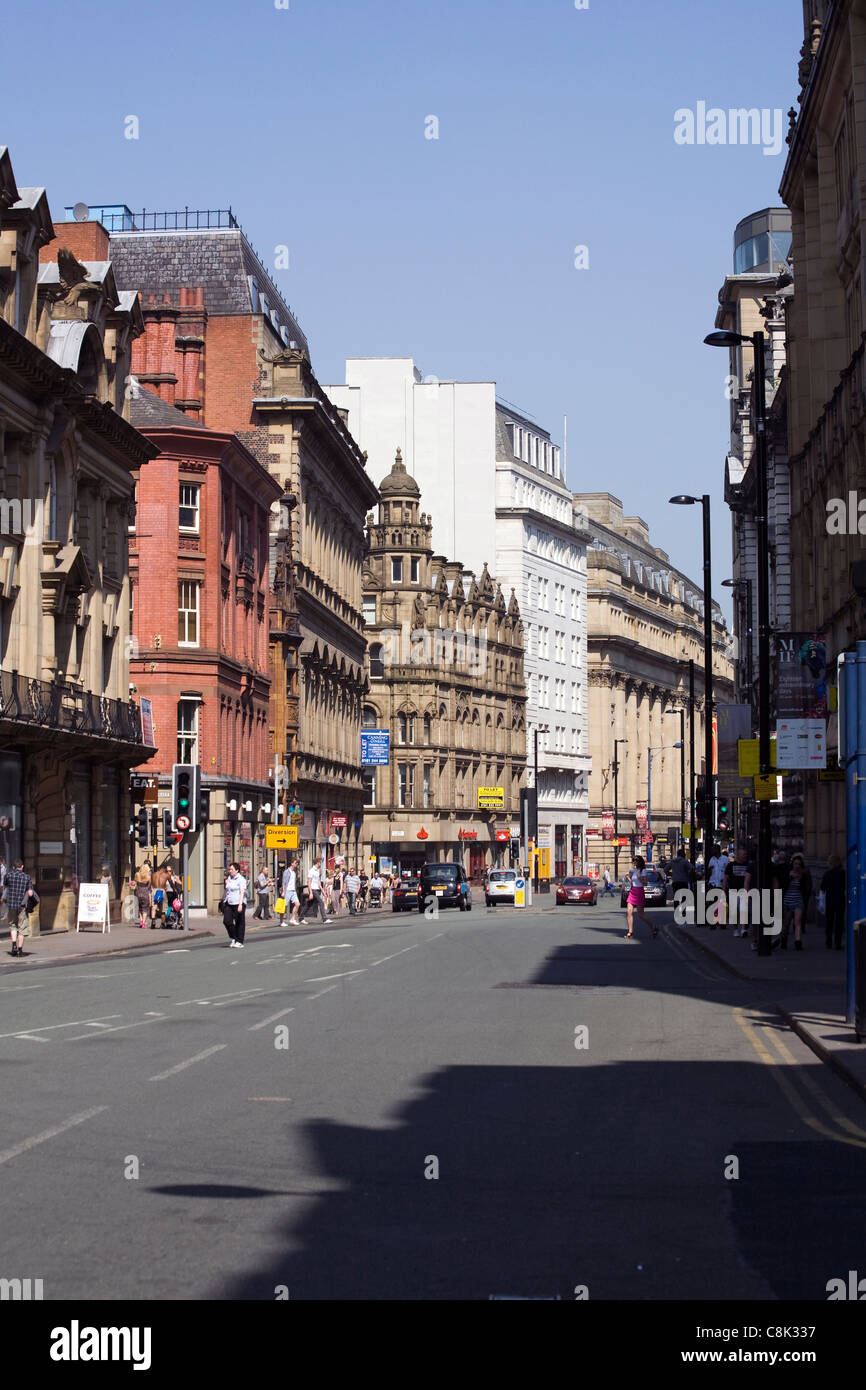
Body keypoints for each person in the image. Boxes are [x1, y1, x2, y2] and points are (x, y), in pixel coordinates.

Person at [3, 856, 37, 958]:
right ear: (22, 867)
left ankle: (13, 946)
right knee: (22, 927)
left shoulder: (8, 875)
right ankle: (20, 950)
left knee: (13, 925)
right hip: (22, 906)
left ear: (14, 867)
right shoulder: (27, 877)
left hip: (11, 905)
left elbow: (5, 886)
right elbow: (30, 893)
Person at [779, 853, 812, 951]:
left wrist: (806, 898)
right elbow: (783, 885)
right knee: (786, 923)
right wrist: (789, 877)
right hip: (787, 901)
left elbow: (807, 887)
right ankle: (784, 940)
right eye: (795, 863)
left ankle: (798, 942)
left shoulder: (803, 875)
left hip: (798, 900)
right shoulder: (787, 873)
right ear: (792, 864)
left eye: (799, 864)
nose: (797, 865)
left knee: (798, 922)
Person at [724, 847, 755, 945]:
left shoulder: (749, 865)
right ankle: (735, 929)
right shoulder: (730, 865)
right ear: (738, 855)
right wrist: (723, 890)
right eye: (743, 854)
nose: (745, 856)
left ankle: (743, 929)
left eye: (746, 854)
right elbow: (725, 878)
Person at [624, 855, 658, 941]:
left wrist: (639, 877)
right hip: (633, 891)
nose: (634, 862)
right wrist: (628, 877)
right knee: (629, 912)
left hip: (639, 892)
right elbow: (633, 883)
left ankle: (653, 926)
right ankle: (630, 932)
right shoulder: (635, 871)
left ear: (639, 862)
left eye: (635, 860)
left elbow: (645, 883)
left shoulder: (643, 871)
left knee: (640, 915)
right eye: (633, 860)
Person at [820, 853, 846, 951]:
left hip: (830, 900)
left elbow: (823, 887)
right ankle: (837, 943)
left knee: (829, 922)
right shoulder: (843, 873)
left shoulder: (827, 874)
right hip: (840, 900)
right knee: (839, 922)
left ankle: (828, 941)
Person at [222, 862, 248, 947]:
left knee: (239, 922)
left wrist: (240, 904)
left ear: (237, 870)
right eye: (229, 869)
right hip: (229, 902)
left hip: (238, 902)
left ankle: (239, 941)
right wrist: (223, 900)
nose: (230, 871)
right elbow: (226, 890)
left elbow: (242, 892)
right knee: (227, 921)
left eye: (232, 869)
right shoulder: (229, 879)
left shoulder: (241, 879)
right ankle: (234, 937)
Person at [299, 859, 330, 925]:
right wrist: (310, 892)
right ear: (317, 863)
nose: (321, 864)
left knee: (309, 904)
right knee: (321, 902)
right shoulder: (311, 871)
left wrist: (323, 891)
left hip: (317, 889)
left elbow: (318, 882)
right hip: (313, 889)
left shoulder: (317, 871)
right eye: (320, 863)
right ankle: (324, 918)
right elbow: (309, 882)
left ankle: (301, 918)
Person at [706, 844, 730, 928]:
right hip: (713, 884)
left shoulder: (725, 859)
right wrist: (709, 870)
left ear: (717, 850)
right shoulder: (711, 859)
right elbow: (708, 873)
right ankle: (713, 923)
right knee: (712, 904)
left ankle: (722, 923)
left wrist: (726, 880)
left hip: (721, 885)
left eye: (713, 850)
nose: (712, 851)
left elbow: (728, 871)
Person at [133, 863, 152, 929]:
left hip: (138, 893)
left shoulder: (137, 875)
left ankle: (141, 921)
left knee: (140, 907)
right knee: (145, 909)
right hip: (145, 893)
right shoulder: (148, 877)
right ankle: (143, 923)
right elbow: (149, 886)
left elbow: (135, 883)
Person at [281, 858, 300, 925]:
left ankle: (292, 919)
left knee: (297, 904)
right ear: (292, 863)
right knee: (284, 906)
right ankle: (281, 921)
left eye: (297, 863)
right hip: (287, 891)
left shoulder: (294, 873)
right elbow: (284, 882)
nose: (296, 864)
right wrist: (283, 891)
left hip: (293, 891)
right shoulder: (286, 872)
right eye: (295, 863)